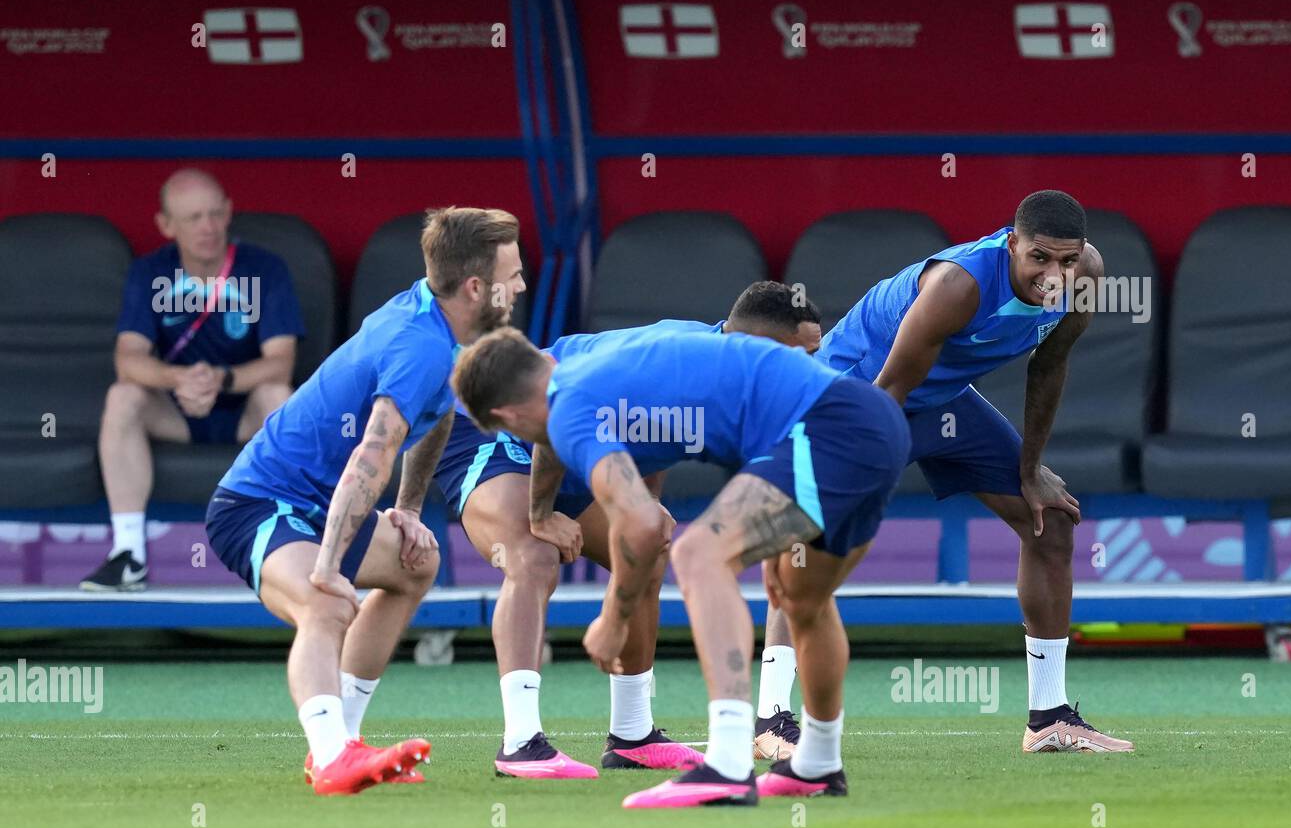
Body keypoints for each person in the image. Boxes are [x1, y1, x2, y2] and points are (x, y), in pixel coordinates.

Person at [453, 326, 909, 808]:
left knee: (700, 555)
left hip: (824, 429)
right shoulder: (578, 366)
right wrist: (540, 511)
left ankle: (730, 763)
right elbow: (554, 434)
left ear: (505, 416)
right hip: (875, 421)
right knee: (805, 600)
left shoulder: (567, 407)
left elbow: (644, 524)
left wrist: (613, 618)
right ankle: (818, 762)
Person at [760, 189, 1133, 755]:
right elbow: (888, 393)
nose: (1055, 274)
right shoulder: (957, 286)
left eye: (1067, 259)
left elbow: (1051, 363)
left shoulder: (1086, 276)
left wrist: (1030, 470)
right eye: (1040, 258)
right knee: (810, 543)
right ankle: (771, 719)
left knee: (1049, 520)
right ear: (1012, 245)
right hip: (859, 397)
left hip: (944, 399)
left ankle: (1049, 718)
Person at [421, 281, 822, 778]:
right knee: (533, 554)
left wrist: (643, 512)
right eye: (804, 355)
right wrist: (542, 514)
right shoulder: (687, 368)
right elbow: (556, 405)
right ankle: (520, 743)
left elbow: (647, 448)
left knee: (650, 546)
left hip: (564, 439)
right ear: (762, 348)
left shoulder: (721, 378)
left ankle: (632, 735)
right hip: (497, 428)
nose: (813, 369)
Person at [205, 206, 525, 794]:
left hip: (316, 508)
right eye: (514, 274)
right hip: (258, 504)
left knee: (415, 563)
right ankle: (330, 758)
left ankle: (344, 744)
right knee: (325, 607)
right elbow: (372, 453)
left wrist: (406, 509)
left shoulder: (440, 320)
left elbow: (435, 420)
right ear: (477, 286)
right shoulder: (422, 344)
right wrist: (329, 567)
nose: (522, 285)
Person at [81, 168, 304, 591]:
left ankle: (289, 545)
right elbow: (128, 359)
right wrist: (179, 379)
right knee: (123, 396)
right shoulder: (150, 272)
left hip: (244, 412)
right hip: (175, 412)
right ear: (167, 225)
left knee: (279, 395)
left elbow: (280, 363)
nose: (208, 227)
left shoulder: (264, 268)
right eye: (193, 218)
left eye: (214, 214)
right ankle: (128, 555)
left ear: (228, 213)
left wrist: (220, 379)